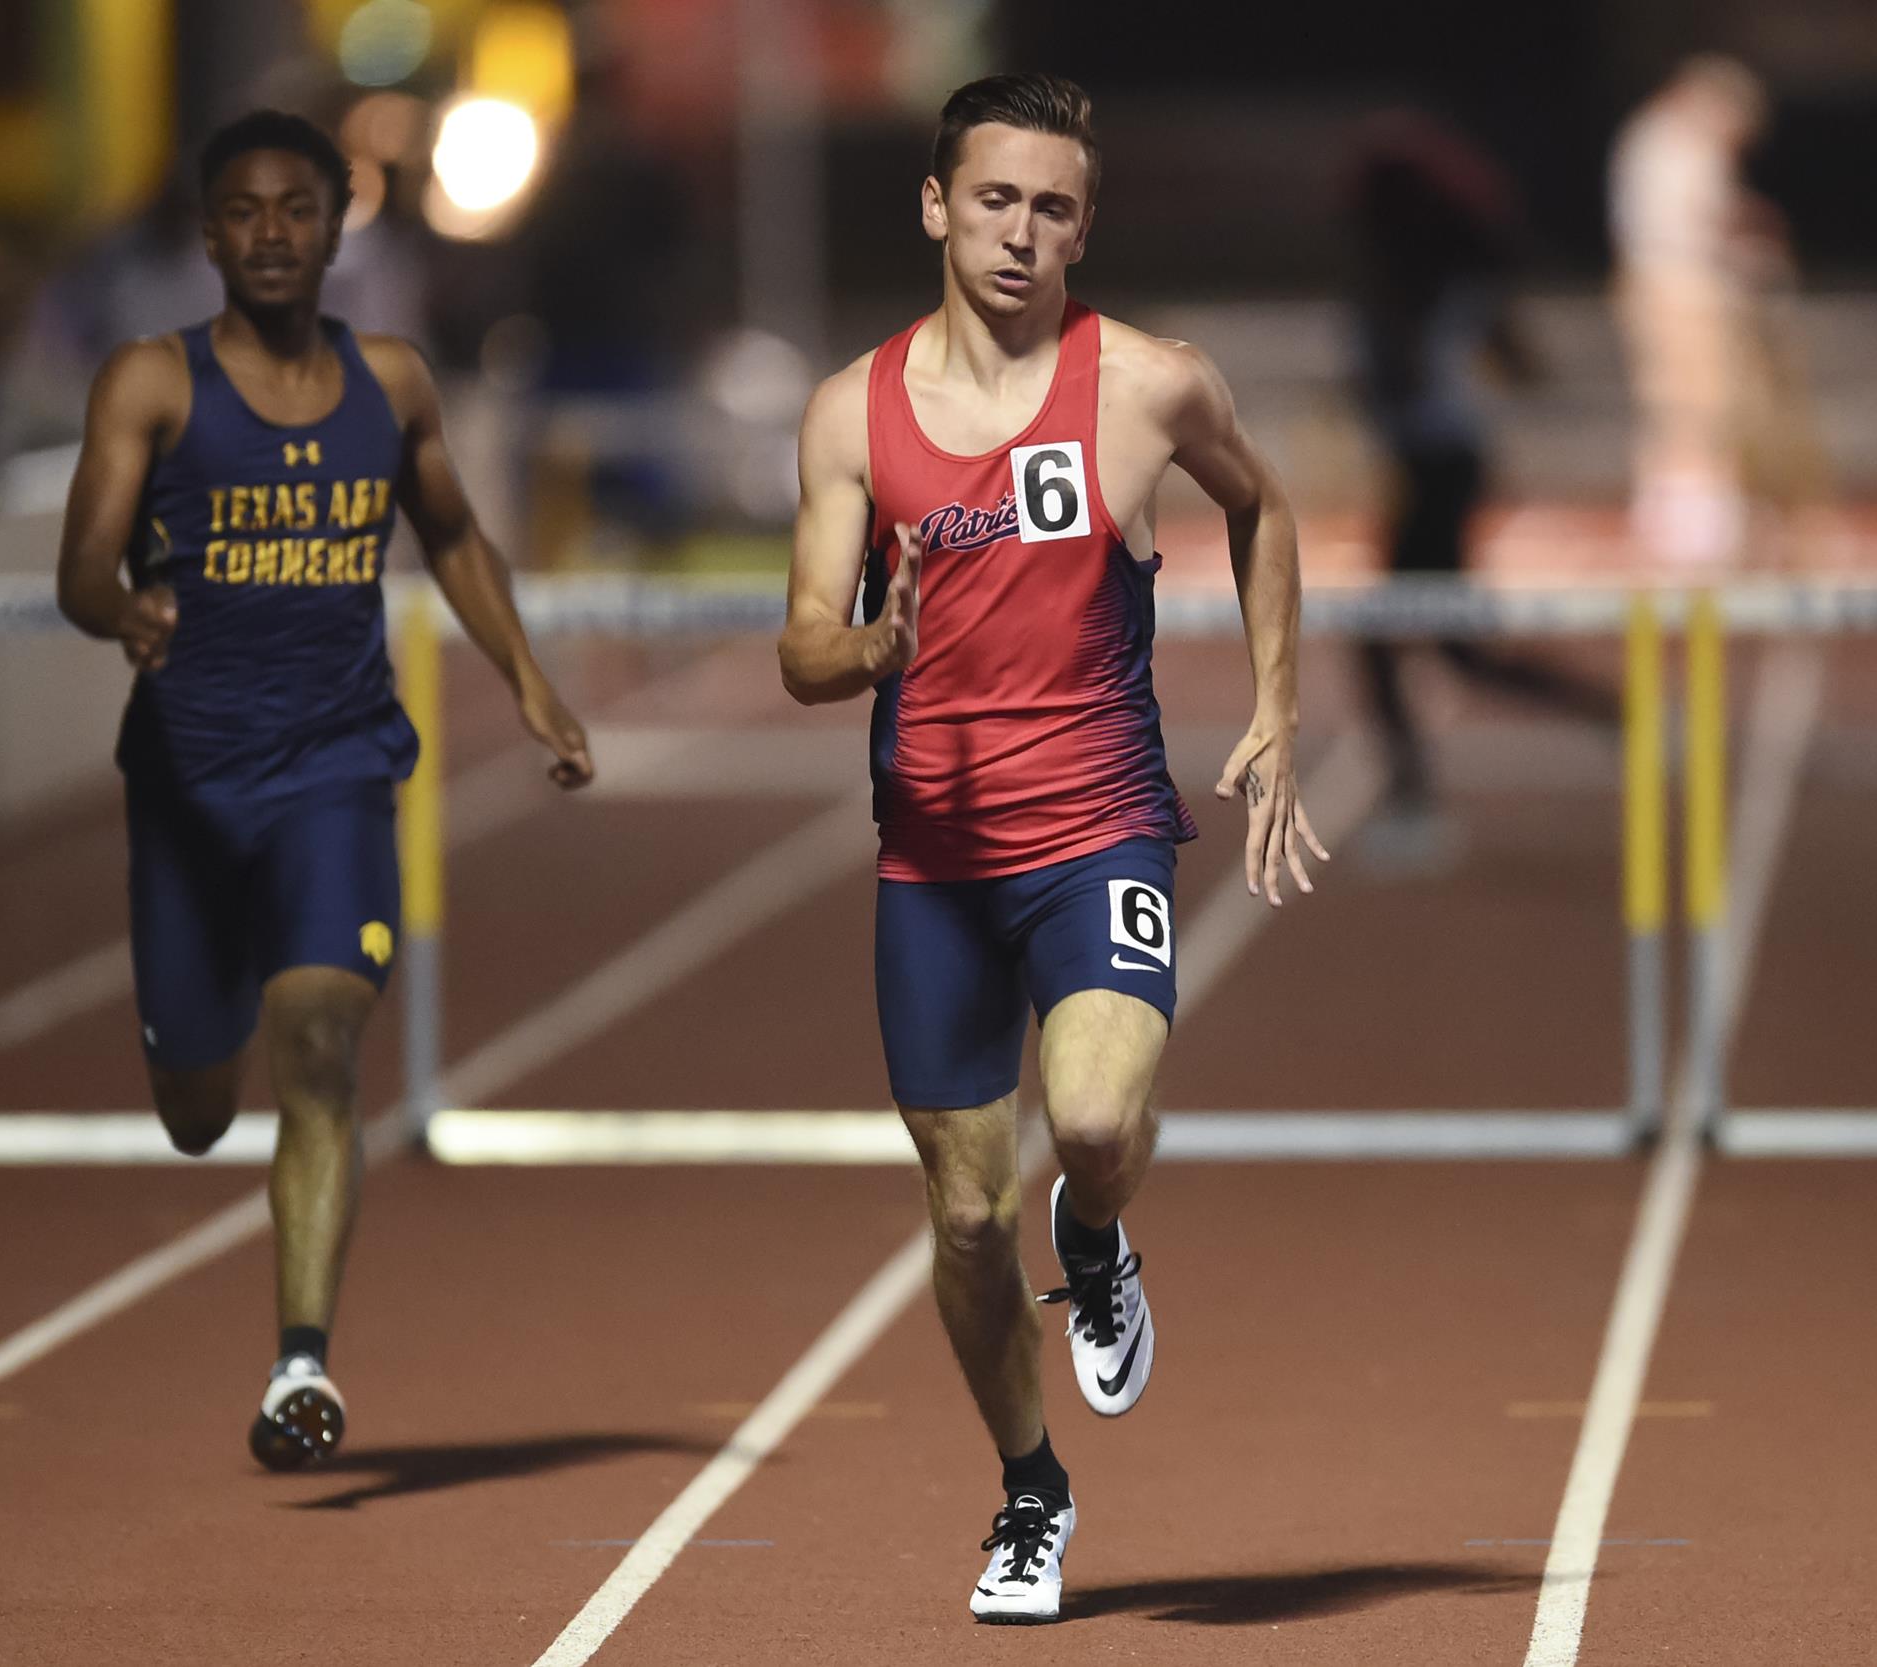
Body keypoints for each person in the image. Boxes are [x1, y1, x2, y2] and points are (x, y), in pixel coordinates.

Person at [777, 72, 1326, 1623]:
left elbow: (1264, 507)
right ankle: (1030, 1488)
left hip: (1097, 827)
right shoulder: (850, 412)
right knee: (960, 1211)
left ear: (1087, 224)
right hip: (930, 866)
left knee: (1087, 1122)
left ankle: (1098, 1238)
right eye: (998, 200)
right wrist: (867, 651)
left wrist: (1278, 705)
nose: (1025, 235)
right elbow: (803, 645)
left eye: (1057, 208)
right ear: (938, 205)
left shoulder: (1148, 383)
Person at [55, 111, 594, 1470]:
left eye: (298, 207)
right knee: (195, 1109)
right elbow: (79, 565)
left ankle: (302, 1364)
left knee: (321, 1048)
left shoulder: (394, 382)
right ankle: (208, 1003)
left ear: (338, 224)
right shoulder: (150, 385)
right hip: (186, 783)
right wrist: (122, 612)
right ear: (208, 232)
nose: (273, 234)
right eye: (244, 210)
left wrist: (527, 678)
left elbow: (458, 534)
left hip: (337, 767)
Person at [1345, 110, 1617, 862]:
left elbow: (1390, 382)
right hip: (1450, 465)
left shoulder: (1403, 282)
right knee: (1455, 646)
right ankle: (1621, 717)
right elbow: (1525, 366)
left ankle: (1413, 808)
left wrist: (1385, 379)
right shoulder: (1460, 276)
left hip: (1435, 469)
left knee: (1385, 637)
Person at [1609, 56, 1771, 567]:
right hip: (1678, 286)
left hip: (1668, 283)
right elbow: (1700, 219)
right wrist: (1747, 241)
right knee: (1693, 407)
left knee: (1693, 408)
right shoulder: (1675, 141)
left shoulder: (1656, 136)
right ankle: (1692, 533)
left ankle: (1689, 525)